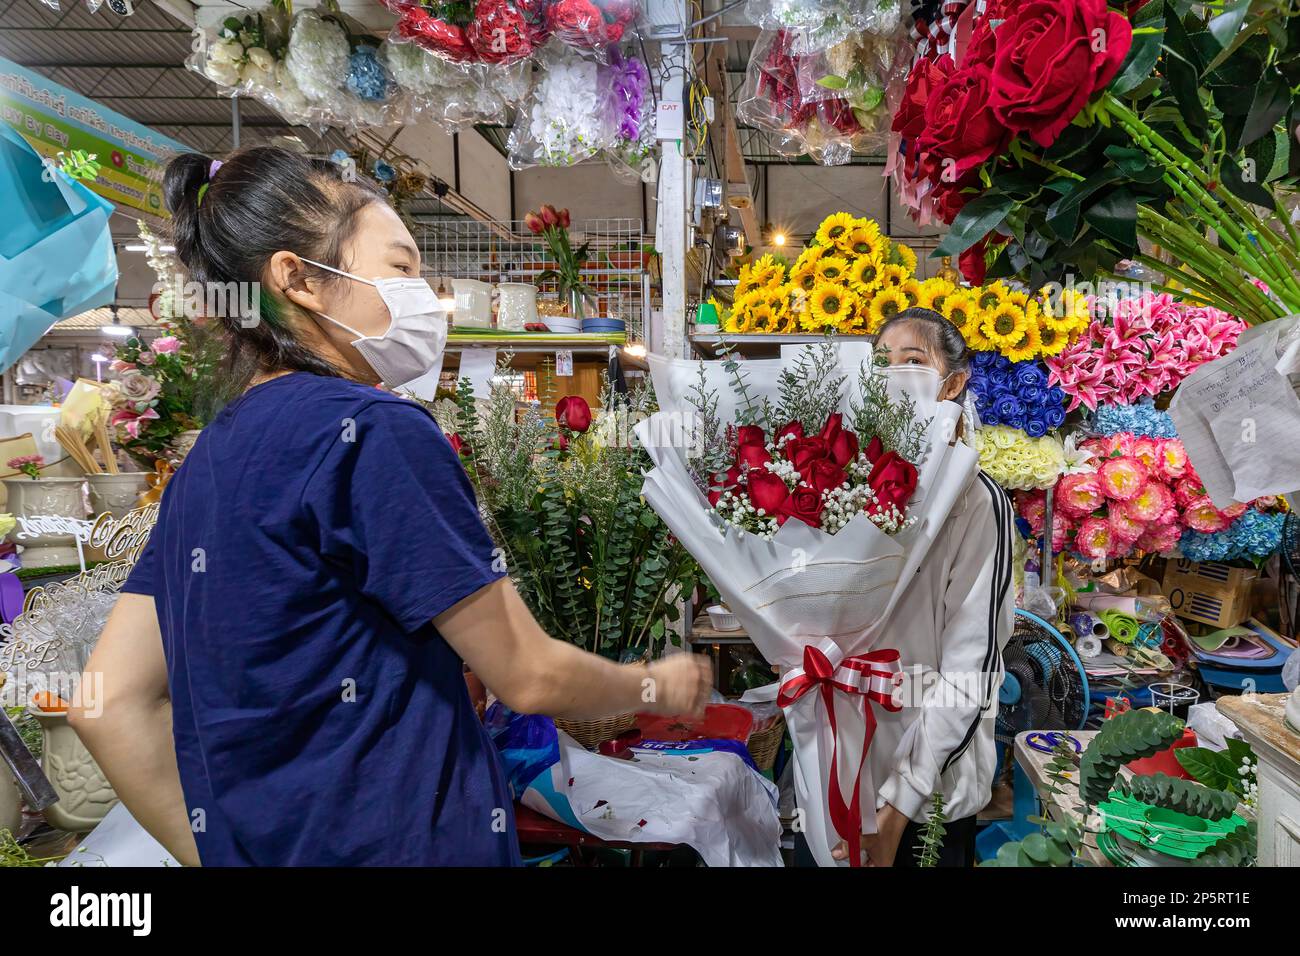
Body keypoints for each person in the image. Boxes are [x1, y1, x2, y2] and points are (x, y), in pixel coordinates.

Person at [69, 147, 711, 867]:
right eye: (402, 268)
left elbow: (104, 701)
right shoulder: (373, 432)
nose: (422, 293)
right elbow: (529, 674)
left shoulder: (208, 457)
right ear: (299, 279)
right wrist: (657, 681)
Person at [802, 307, 1013, 867]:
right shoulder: (840, 490)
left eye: (913, 361)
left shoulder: (976, 502)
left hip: (925, 803)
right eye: (880, 364)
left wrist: (899, 805)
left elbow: (972, 669)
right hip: (836, 775)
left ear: (954, 382)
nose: (894, 376)